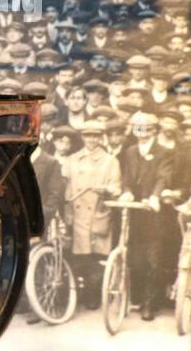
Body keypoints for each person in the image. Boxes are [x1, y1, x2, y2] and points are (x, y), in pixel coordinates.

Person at [118, 113, 173, 320]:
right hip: (134, 213)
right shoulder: (130, 151)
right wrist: (127, 191)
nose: (142, 134)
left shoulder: (165, 153)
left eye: (147, 129)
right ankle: (137, 299)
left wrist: (155, 197)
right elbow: (126, 177)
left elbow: (163, 177)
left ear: (155, 131)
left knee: (153, 261)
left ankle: (150, 304)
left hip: (154, 215)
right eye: (138, 129)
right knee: (135, 259)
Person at [64, 122, 120, 310]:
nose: (92, 139)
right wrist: (67, 214)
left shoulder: (110, 161)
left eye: (96, 136)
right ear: (82, 137)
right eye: (88, 135)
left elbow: (116, 188)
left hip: (98, 214)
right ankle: (78, 294)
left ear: (101, 137)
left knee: (96, 259)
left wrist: (105, 189)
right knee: (79, 257)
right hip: (76, 215)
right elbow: (67, 189)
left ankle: (93, 295)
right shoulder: (72, 159)